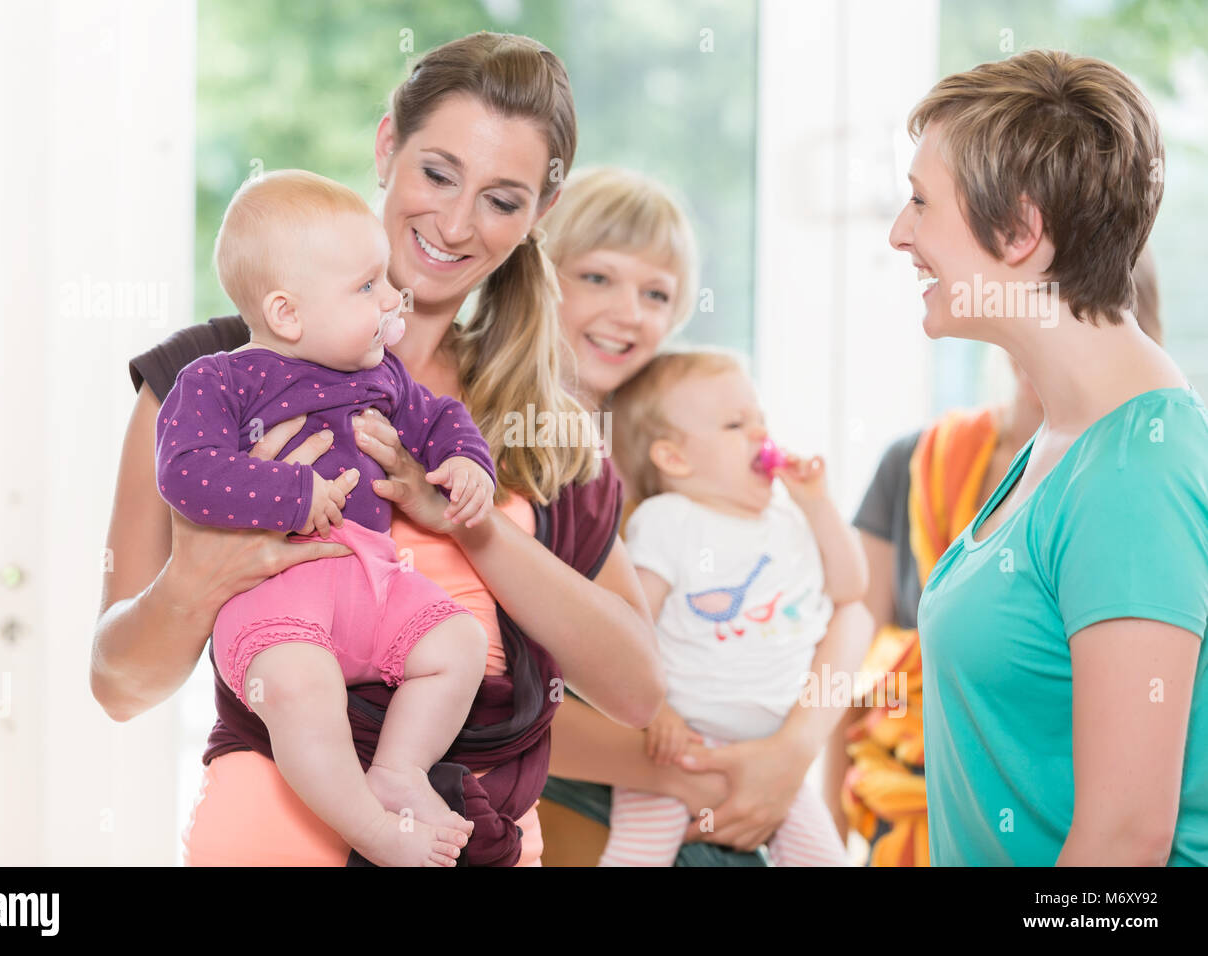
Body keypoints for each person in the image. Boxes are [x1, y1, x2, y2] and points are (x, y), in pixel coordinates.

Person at [93, 32, 664, 867]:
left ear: (541, 214)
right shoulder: (208, 378)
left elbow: (637, 691)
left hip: (479, 838)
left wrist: (472, 525)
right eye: (437, 173)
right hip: (277, 832)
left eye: (502, 200)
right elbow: (116, 687)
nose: (456, 222)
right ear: (387, 146)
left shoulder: (544, 431)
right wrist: (197, 581)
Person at [890, 49, 1207, 865]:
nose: (901, 233)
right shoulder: (1068, 437)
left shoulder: (1135, 474)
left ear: (1022, 232)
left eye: (922, 203)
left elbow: (1124, 846)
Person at [157, 170, 506, 866]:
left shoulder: (383, 375)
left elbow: (440, 418)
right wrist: (287, 493)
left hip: (369, 578)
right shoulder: (219, 379)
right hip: (276, 594)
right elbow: (185, 471)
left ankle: (399, 770)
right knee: (299, 692)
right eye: (367, 287)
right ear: (287, 314)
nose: (390, 300)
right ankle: (373, 832)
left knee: (458, 647)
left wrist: (467, 461)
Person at [531, 165, 875, 865]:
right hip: (587, 788)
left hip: (729, 773)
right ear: (538, 274)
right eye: (598, 278)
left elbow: (852, 613)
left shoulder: (691, 426)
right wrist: (704, 770)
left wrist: (792, 752)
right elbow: (504, 704)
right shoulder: (503, 447)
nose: (630, 312)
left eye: (656, 293)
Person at [831, 246, 1165, 867]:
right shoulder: (916, 461)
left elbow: (1128, 829)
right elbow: (851, 649)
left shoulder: (1128, 483)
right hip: (894, 797)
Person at [595, 348, 860, 866]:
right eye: (736, 424)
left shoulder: (789, 522)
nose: (761, 434)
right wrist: (657, 713)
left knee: (826, 858)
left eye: (761, 419)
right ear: (674, 458)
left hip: (775, 754)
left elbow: (851, 586)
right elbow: (627, 633)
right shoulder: (669, 521)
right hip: (682, 742)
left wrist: (817, 504)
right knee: (636, 854)